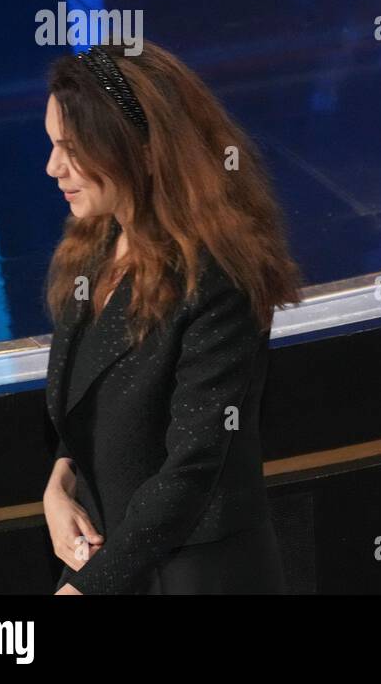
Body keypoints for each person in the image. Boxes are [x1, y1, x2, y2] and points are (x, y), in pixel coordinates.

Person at [41, 41, 302, 594]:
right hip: (111, 559)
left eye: (70, 147)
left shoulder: (220, 275)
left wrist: (84, 590)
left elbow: (192, 471)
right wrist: (59, 486)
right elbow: (97, 397)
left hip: (196, 574)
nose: (53, 167)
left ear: (134, 147)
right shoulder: (93, 241)